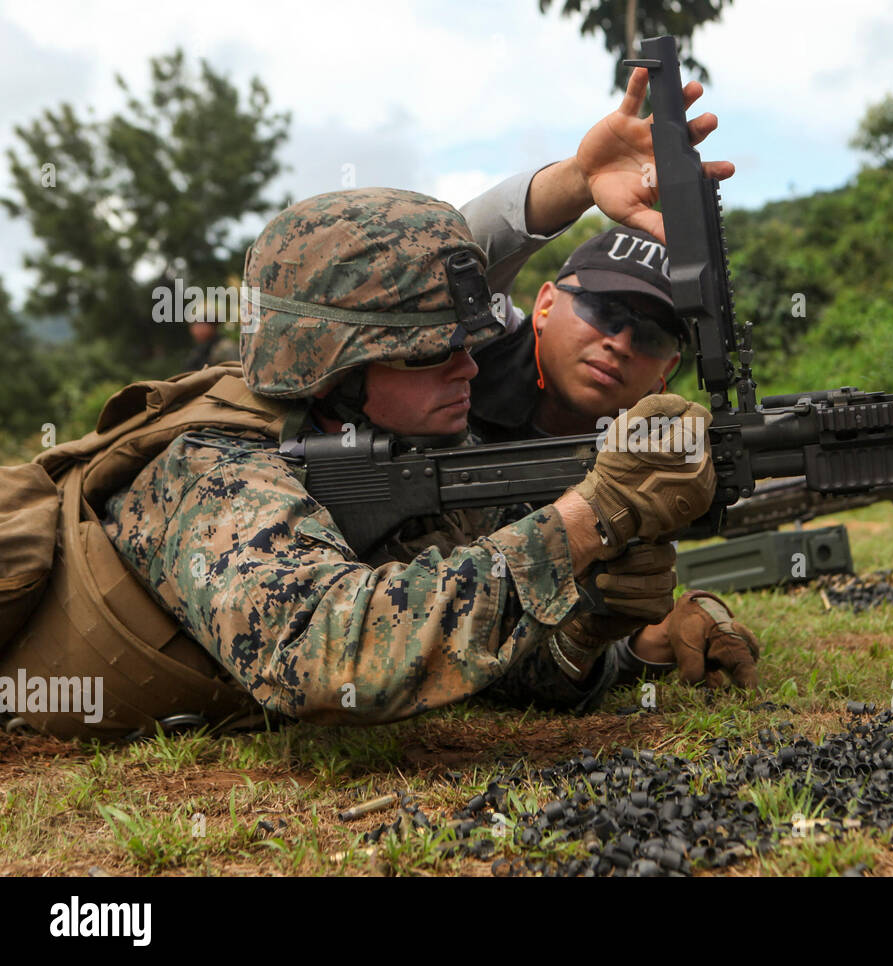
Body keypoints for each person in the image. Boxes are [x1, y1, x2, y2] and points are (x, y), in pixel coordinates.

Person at [71, 69, 729, 730]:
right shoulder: (218, 467)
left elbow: (477, 658)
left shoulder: (416, 448)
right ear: (338, 366)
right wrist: (583, 522)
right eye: (430, 351)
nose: (470, 365)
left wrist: (593, 631)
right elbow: (332, 658)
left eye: (467, 341)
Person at [468, 226, 760, 690]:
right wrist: (573, 182)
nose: (621, 343)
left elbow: (573, 640)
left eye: (651, 337)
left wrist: (656, 638)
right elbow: (444, 254)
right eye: (603, 311)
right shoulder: (466, 360)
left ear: (665, 373)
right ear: (544, 306)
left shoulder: (653, 464)